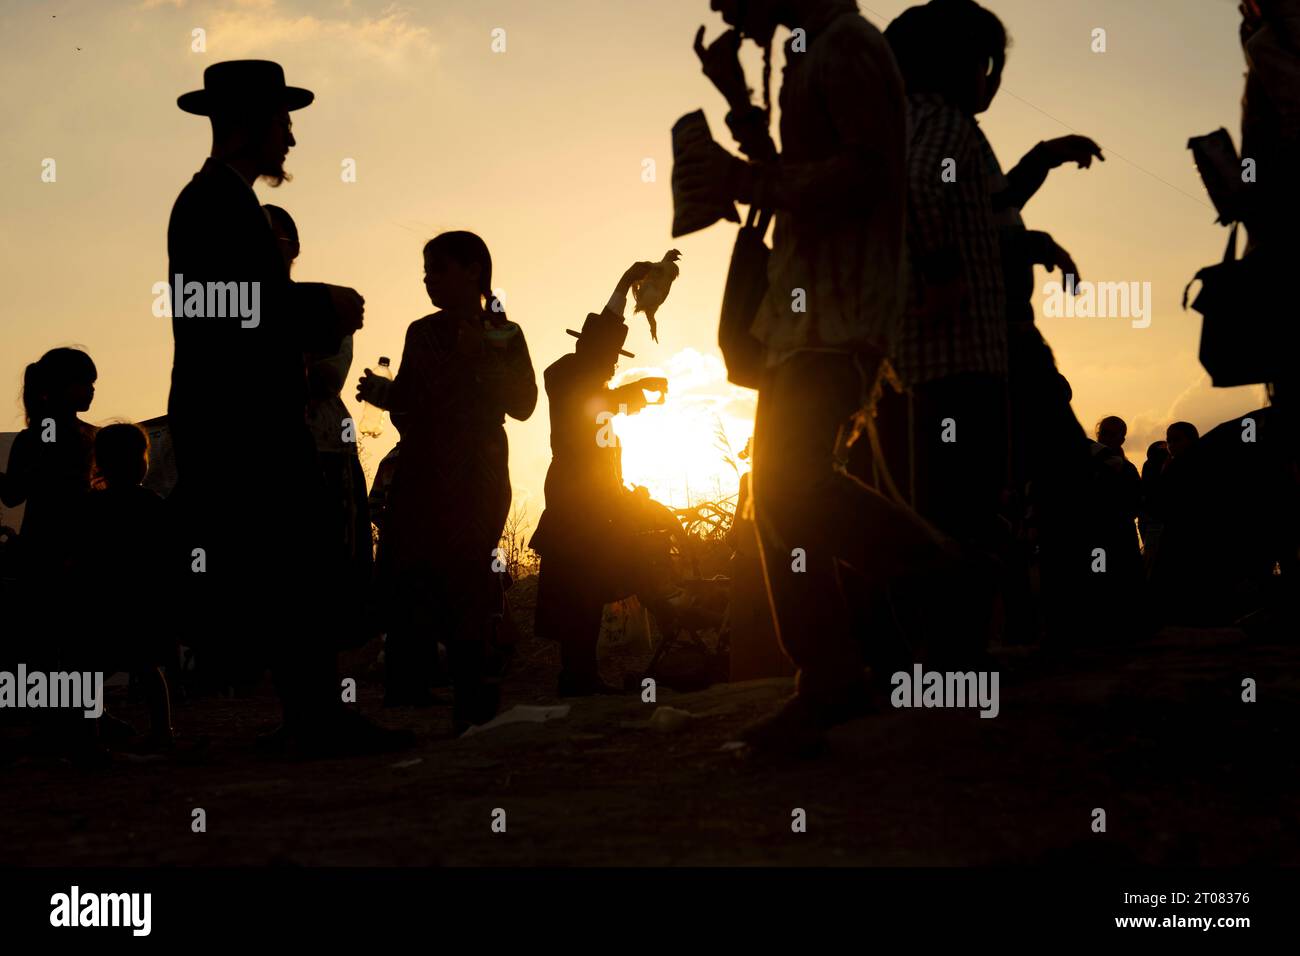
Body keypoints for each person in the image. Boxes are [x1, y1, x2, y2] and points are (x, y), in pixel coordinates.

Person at [679, 0, 958, 756]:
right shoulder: (812, 50)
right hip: (805, 313)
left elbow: (863, 177)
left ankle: (929, 586)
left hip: (840, 313)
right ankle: (838, 670)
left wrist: (742, 178)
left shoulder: (846, 47)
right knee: (779, 495)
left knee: (789, 486)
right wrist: (739, 103)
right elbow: (798, 169)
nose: (720, 6)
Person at [167, 59, 408, 754]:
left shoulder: (225, 203)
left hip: (250, 418)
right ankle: (314, 718)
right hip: (240, 422)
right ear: (249, 125)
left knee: (289, 562)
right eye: (282, 123)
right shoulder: (210, 205)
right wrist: (318, 304)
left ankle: (311, 716)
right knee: (293, 560)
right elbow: (220, 309)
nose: (291, 139)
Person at [356, 231, 537, 731]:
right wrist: (384, 394)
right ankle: (408, 684)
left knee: (469, 571)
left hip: (478, 470)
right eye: (426, 271)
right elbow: (412, 403)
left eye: (438, 268)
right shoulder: (422, 332)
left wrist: (481, 357)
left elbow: (523, 404)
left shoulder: (504, 332)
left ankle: (472, 694)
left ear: (473, 270)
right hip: (423, 468)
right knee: (412, 568)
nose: (428, 279)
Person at [530, 260, 669, 696]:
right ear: (590, 350)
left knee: (589, 588)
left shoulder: (595, 392)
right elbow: (600, 397)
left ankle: (582, 674)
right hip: (575, 503)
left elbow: (608, 404)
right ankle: (577, 676)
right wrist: (624, 285)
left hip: (597, 504)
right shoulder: (564, 376)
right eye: (608, 356)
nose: (611, 365)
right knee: (579, 587)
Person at [265, 204, 373, 632]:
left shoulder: (325, 307)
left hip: (323, 446)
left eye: (273, 240)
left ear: (294, 250)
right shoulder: (233, 305)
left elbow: (329, 377)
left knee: (326, 563)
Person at [68, 424, 175, 749]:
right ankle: (162, 731)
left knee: (89, 671)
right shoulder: (151, 503)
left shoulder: (91, 506)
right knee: (147, 668)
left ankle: (89, 736)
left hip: (102, 602)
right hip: (139, 601)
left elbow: (81, 555)